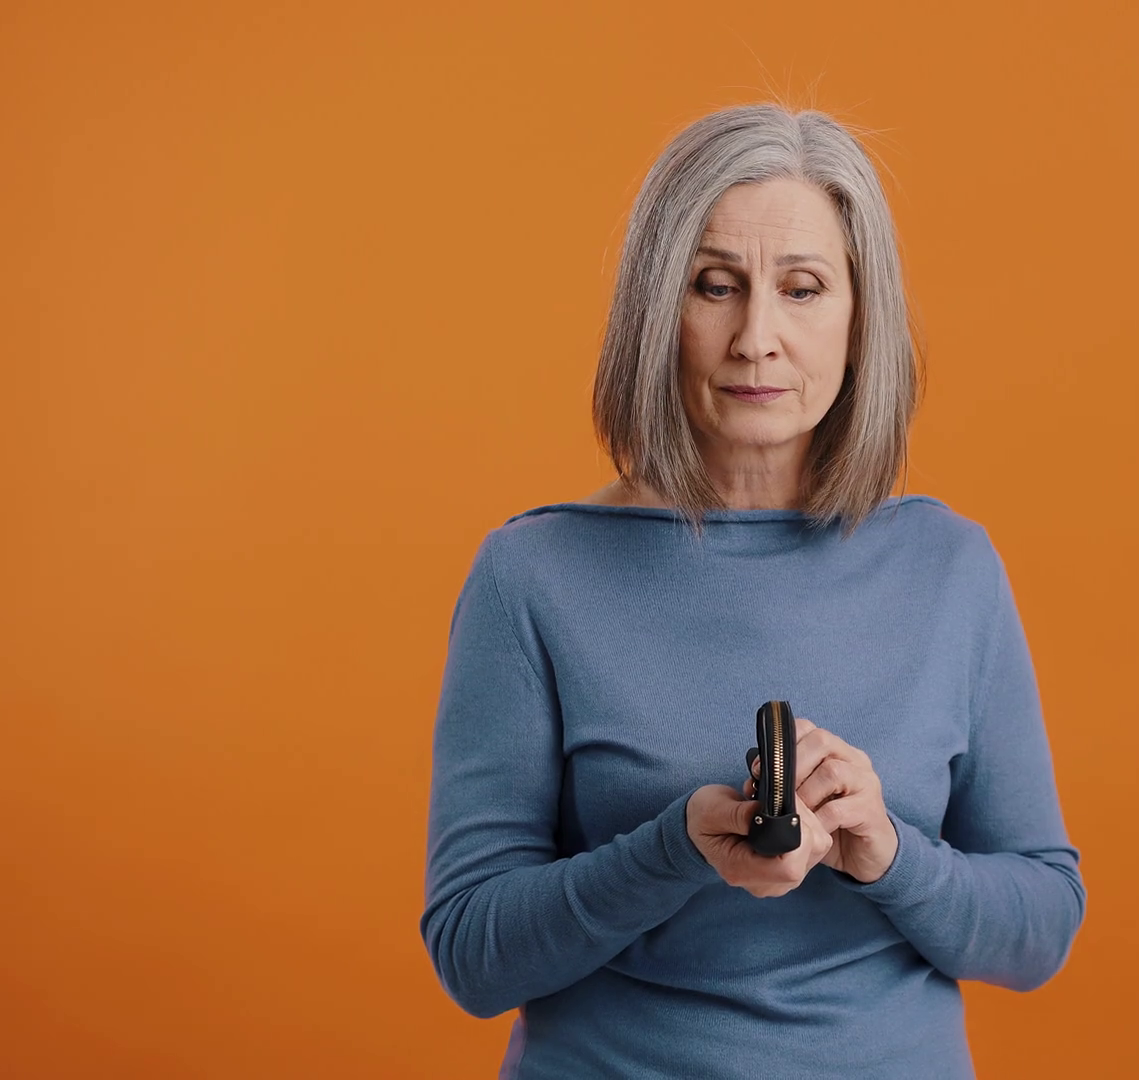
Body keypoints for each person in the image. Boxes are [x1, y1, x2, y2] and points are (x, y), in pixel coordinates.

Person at [419, 102, 1086, 1079]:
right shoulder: (532, 577)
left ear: (862, 323)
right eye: (715, 286)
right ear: (659, 315)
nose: (756, 338)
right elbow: (473, 955)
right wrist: (675, 848)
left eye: (804, 289)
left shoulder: (952, 569)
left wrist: (889, 854)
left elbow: (1041, 928)